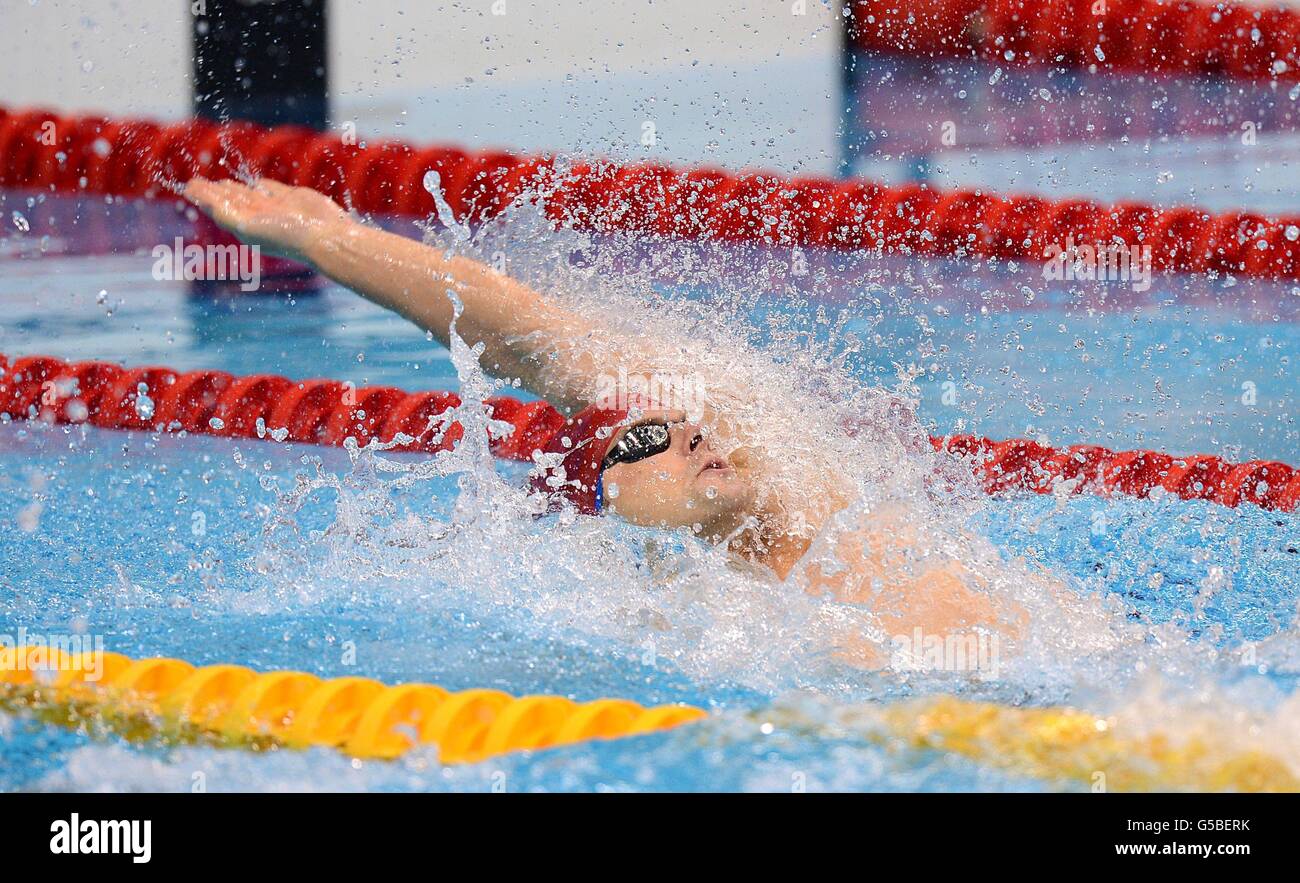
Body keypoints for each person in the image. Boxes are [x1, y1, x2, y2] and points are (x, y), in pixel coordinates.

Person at [184, 177, 1024, 666]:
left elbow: (523, 332)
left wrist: (329, 237)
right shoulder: (693, 612)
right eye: (644, 440)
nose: (689, 434)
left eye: (681, 421)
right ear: (607, 506)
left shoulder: (787, 470)